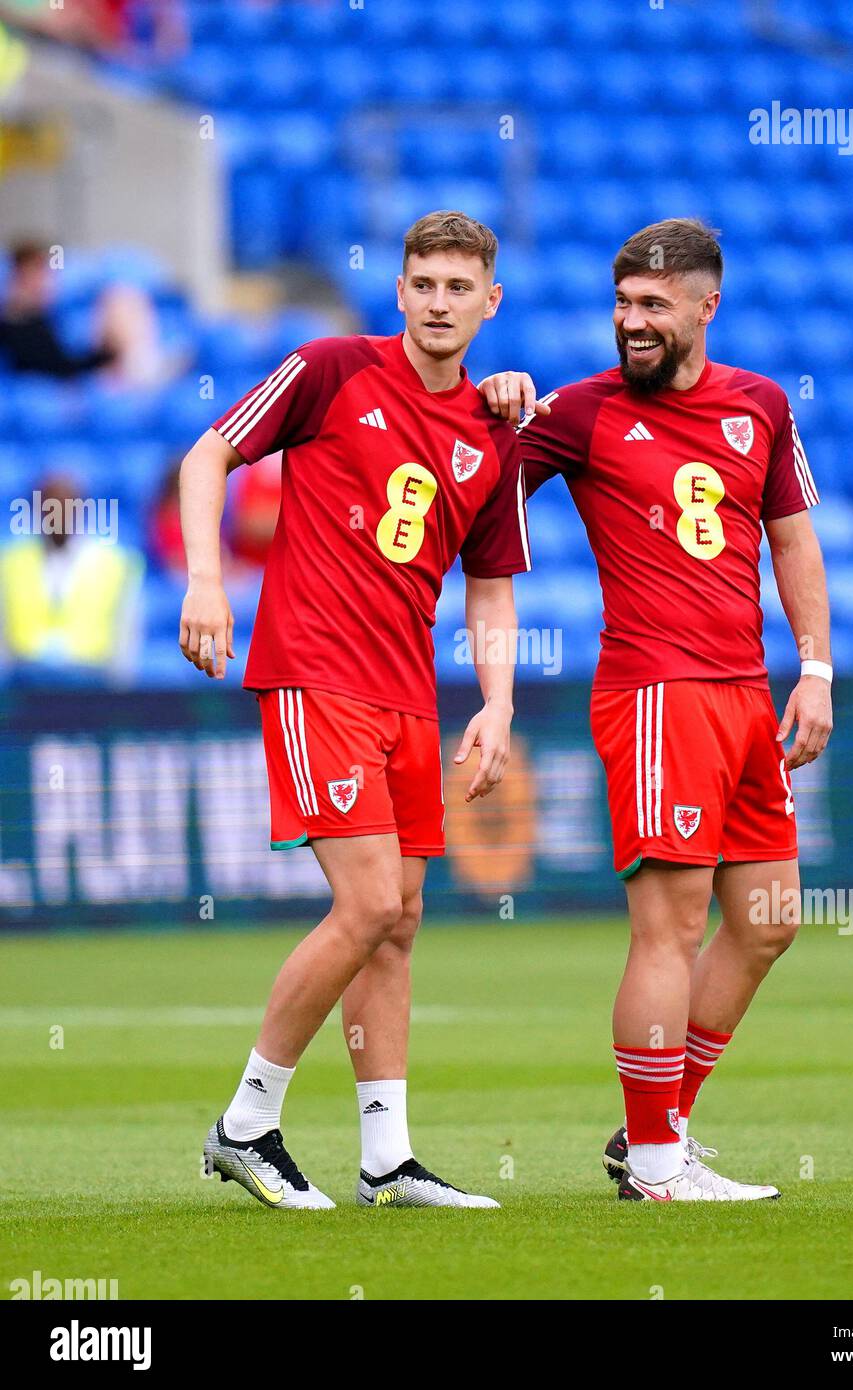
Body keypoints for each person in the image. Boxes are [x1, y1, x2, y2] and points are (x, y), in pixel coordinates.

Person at [177, 211, 530, 1210]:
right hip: (314, 671)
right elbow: (207, 457)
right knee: (370, 903)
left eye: (458, 288)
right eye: (423, 283)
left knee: (399, 921)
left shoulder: (493, 432)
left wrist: (497, 702)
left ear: (490, 301)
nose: (438, 302)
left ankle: (387, 1159)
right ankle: (246, 1124)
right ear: (399, 289)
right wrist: (206, 580)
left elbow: (490, 588)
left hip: (406, 692)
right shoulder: (333, 369)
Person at [478, 219, 833, 1201]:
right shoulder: (578, 412)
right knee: (669, 927)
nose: (631, 322)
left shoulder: (760, 405)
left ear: (706, 307)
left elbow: (793, 541)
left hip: (745, 692)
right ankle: (656, 1162)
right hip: (654, 694)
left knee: (767, 919)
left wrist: (815, 668)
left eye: (652, 306)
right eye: (622, 303)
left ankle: (654, 1130)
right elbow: (472, 479)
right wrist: (489, 404)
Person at [0, 471, 143, 683]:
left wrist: (118, 690)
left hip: (91, 680)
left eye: (66, 507)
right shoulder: (10, 561)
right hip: (25, 680)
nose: (57, 515)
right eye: (49, 507)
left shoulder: (115, 564)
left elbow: (125, 637)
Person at [0, 239, 169, 384]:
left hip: (75, 373)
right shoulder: (16, 319)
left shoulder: (40, 316)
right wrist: (105, 356)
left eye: (46, 274)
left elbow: (61, 363)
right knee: (119, 301)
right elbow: (55, 368)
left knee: (121, 297)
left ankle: (142, 364)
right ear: (20, 277)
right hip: (58, 383)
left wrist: (103, 354)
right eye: (37, 274)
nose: (44, 283)